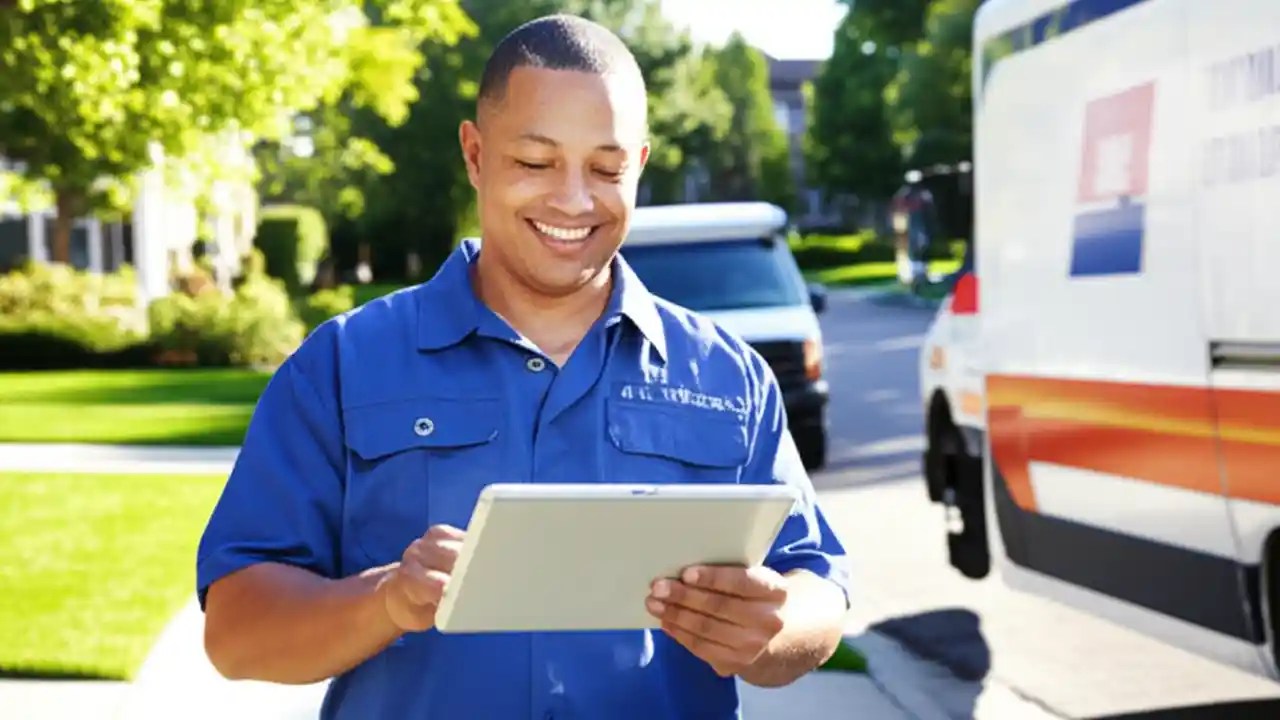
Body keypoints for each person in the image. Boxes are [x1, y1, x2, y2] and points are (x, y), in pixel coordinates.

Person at [197, 14, 851, 719]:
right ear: (475, 155)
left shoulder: (730, 379)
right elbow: (236, 632)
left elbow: (818, 587)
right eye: (536, 163)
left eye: (606, 168)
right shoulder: (342, 365)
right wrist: (387, 599)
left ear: (640, 164)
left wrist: (772, 627)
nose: (573, 200)